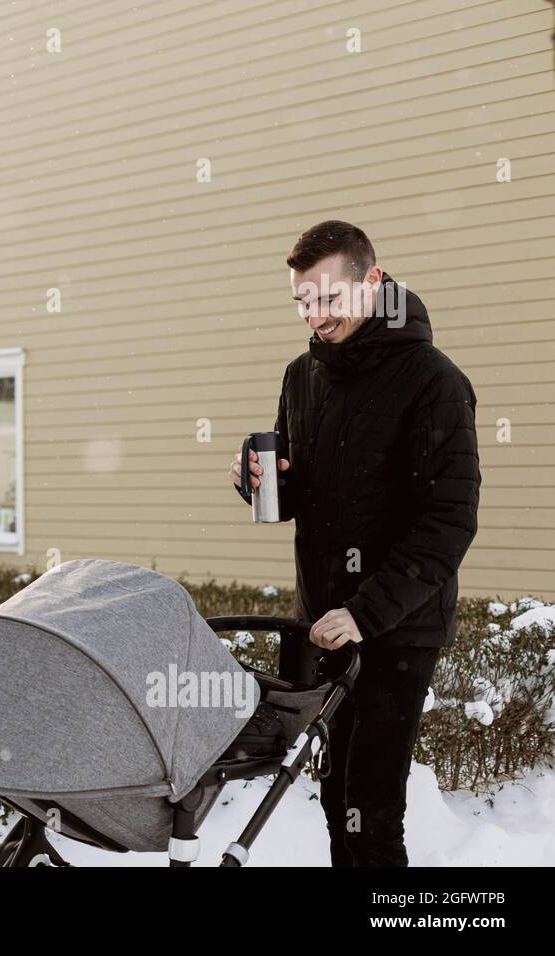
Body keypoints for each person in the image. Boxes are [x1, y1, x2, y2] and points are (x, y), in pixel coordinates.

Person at [229, 220, 481, 866]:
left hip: (397, 632)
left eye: (329, 299)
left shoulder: (433, 382)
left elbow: (448, 522)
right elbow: (300, 499)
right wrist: (260, 483)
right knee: (336, 802)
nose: (315, 317)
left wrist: (365, 612)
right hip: (326, 628)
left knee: (370, 814)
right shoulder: (302, 379)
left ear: (373, 283)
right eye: (303, 303)